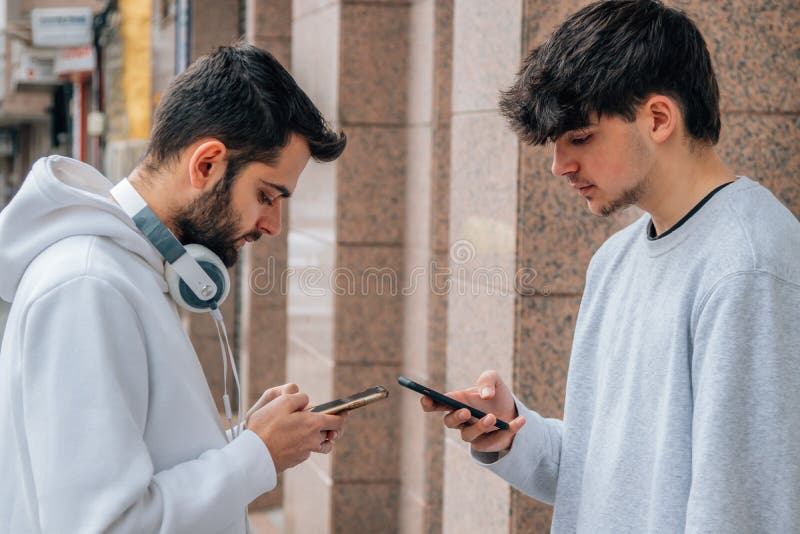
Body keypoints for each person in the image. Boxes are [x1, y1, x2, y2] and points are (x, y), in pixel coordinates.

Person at [421, 1, 800, 532]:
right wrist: (514, 433)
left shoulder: (748, 268)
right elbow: (606, 474)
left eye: (579, 138)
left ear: (659, 119)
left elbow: (743, 507)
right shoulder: (614, 260)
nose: (559, 166)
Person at [0, 43, 347, 532]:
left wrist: (246, 440)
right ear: (206, 165)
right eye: (266, 195)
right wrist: (254, 455)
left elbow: (142, 468)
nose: (273, 225)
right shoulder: (89, 287)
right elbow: (103, 525)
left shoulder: (124, 272)